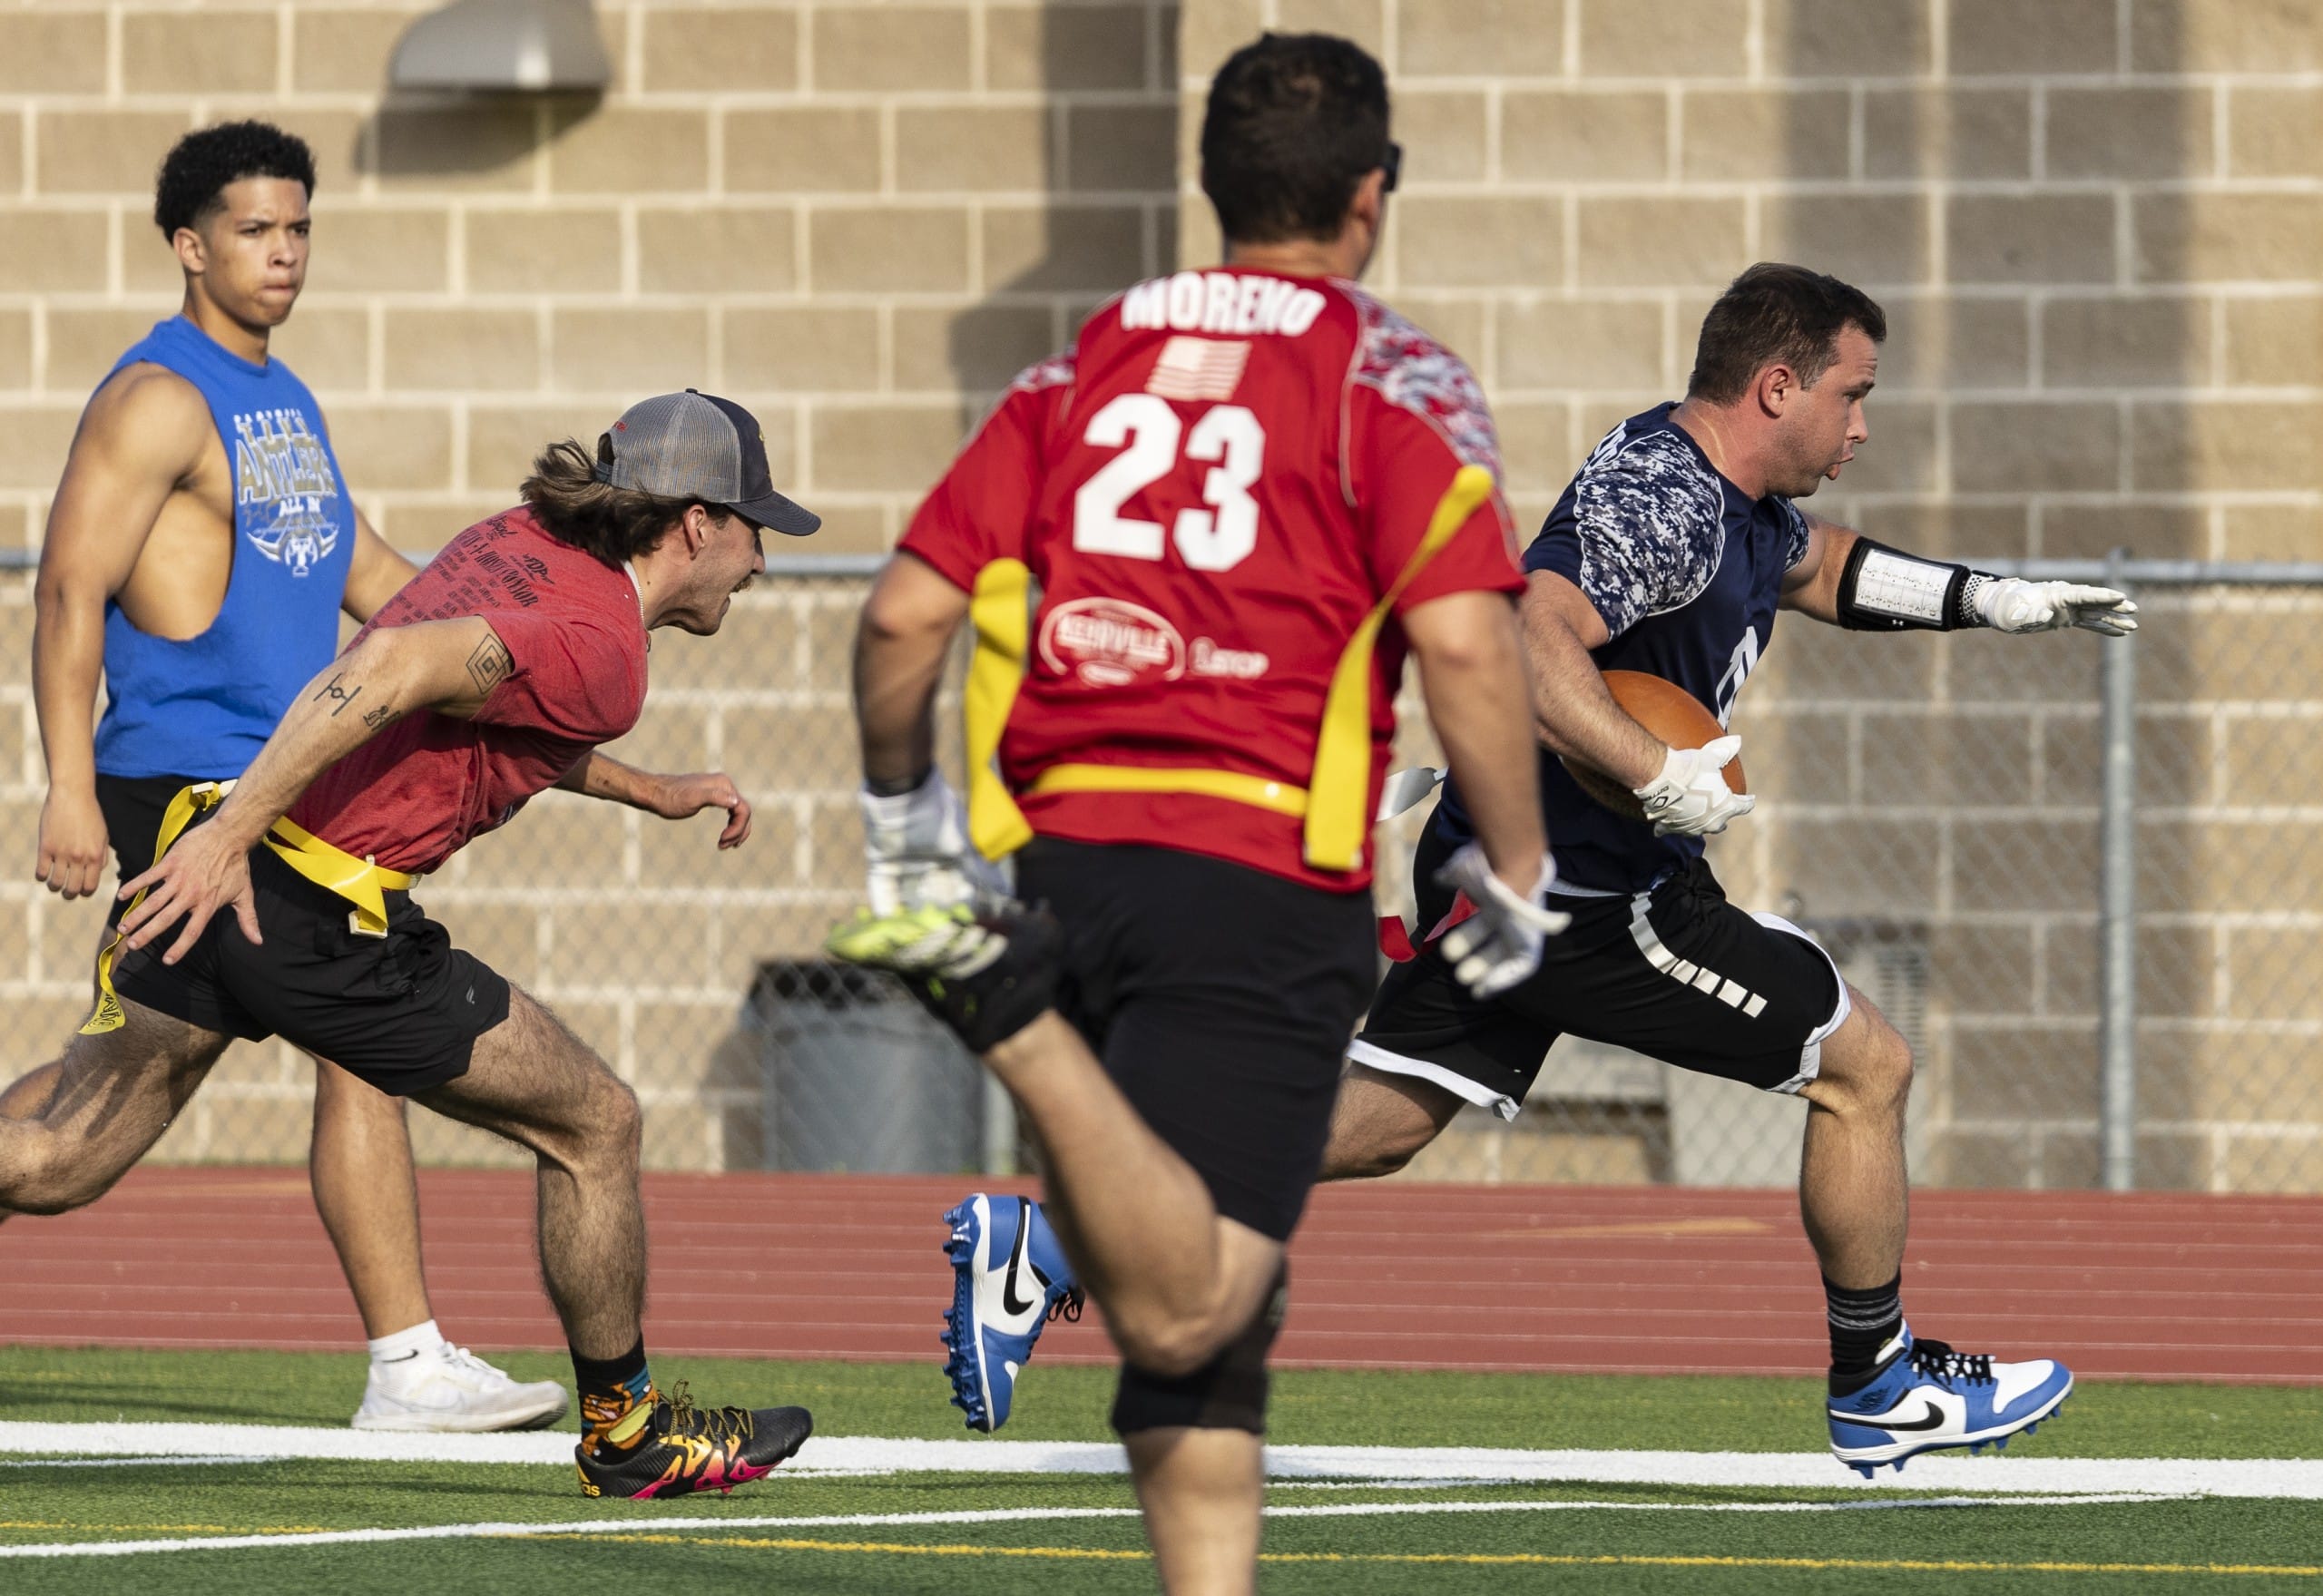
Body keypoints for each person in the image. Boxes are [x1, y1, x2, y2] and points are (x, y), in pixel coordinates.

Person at [979, 265, 2132, 1477]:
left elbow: (1819, 566)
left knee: (1377, 1124)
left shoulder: (1736, 499)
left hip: (1506, 861)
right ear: (1777, 384)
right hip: (1589, 890)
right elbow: (1528, 628)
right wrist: (1653, 769)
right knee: (1865, 1066)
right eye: (1851, 395)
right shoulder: (1667, 494)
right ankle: (1877, 1378)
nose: (1861, 426)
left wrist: (1995, 601)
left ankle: (1049, 1239)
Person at [828, 32, 1562, 1596]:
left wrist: (902, 821)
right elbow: (1462, 637)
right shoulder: (1391, 371)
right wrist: (1513, 860)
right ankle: (1003, 1015)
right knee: (1189, 1294)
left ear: (1209, 186)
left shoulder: (1076, 363)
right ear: (1374, 195)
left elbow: (900, 618)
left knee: (1224, 1309)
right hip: (1256, 856)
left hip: (1062, 851)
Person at [0, 390, 822, 1501]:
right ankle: (627, 1433)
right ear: (692, 522)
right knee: (597, 1122)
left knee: (54, 1159)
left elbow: (495, 697)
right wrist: (233, 842)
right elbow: (388, 674)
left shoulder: (519, 537)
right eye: (751, 528)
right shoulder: (609, 649)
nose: (759, 559)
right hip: (300, 903)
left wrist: (652, 791)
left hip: (219, 858)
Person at [8, 120, 565, 1431]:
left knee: (77, 1142)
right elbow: (67, 590)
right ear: (190, 246)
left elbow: (371, 581)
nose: (284, 253)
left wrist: (520, 645)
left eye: (299, 227)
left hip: (279, 796)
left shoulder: (284, 397)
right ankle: (408, 1361)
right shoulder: (159, 394)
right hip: (193, 797)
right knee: (324, 1042)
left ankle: (409, 1362)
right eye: (257, 230)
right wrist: (68, 785)